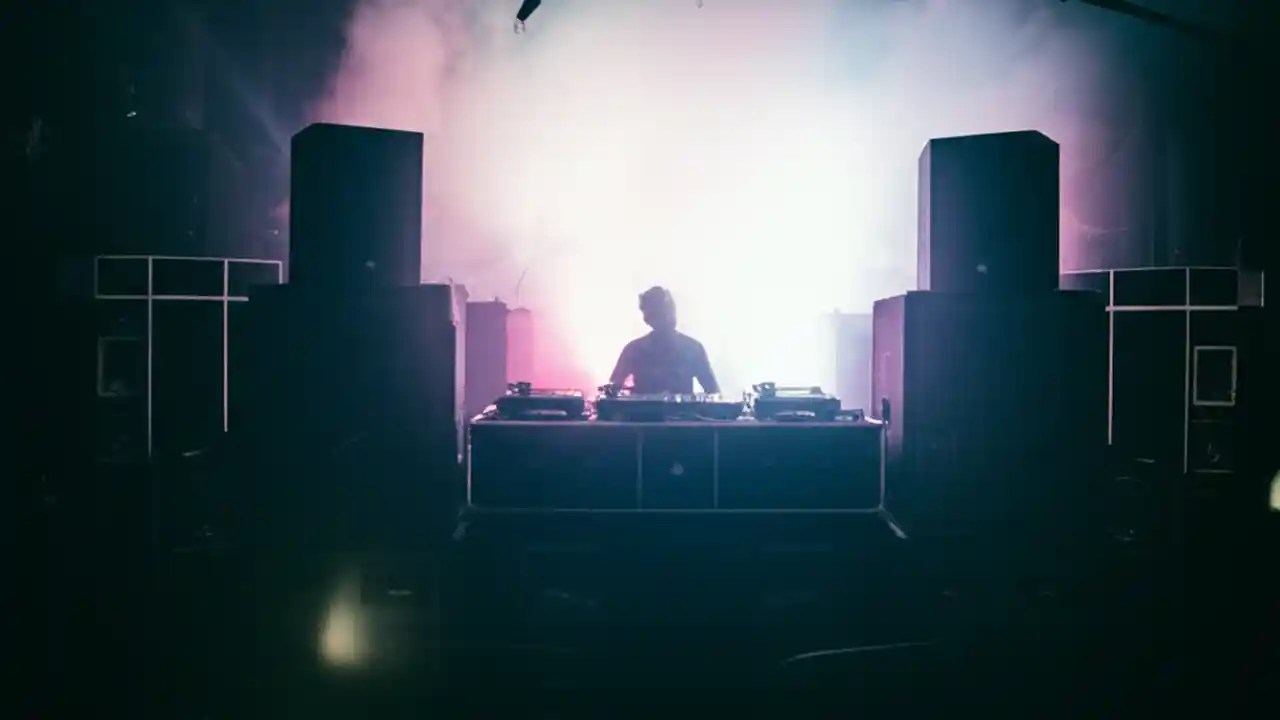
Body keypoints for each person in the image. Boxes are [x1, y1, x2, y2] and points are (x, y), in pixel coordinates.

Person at [609, 286, 720, 395]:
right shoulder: (692, 348)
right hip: (650, 413)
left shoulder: (693, 349)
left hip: (678, 413)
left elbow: (714, 394)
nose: (666, 317)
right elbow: (611, 391)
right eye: (659, 313)